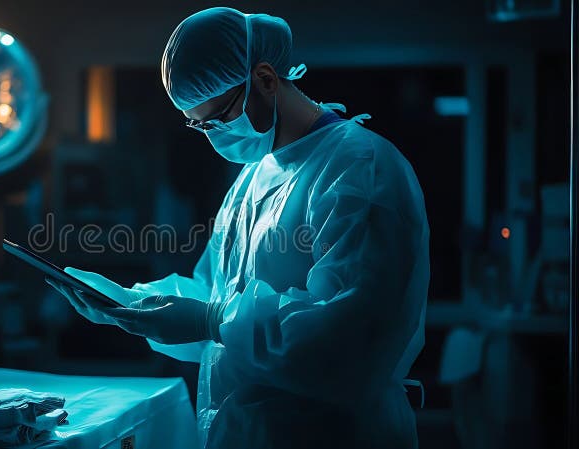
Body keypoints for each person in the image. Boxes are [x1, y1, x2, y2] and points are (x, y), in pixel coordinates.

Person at [47, 6, 429, 449]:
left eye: (218, 118)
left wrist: (212, 322)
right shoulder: (252, 178)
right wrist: (130, 306)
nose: (211, 134)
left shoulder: (361, 170)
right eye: (199, 124)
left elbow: (347, 338)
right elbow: (215, 294)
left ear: (265, 80)